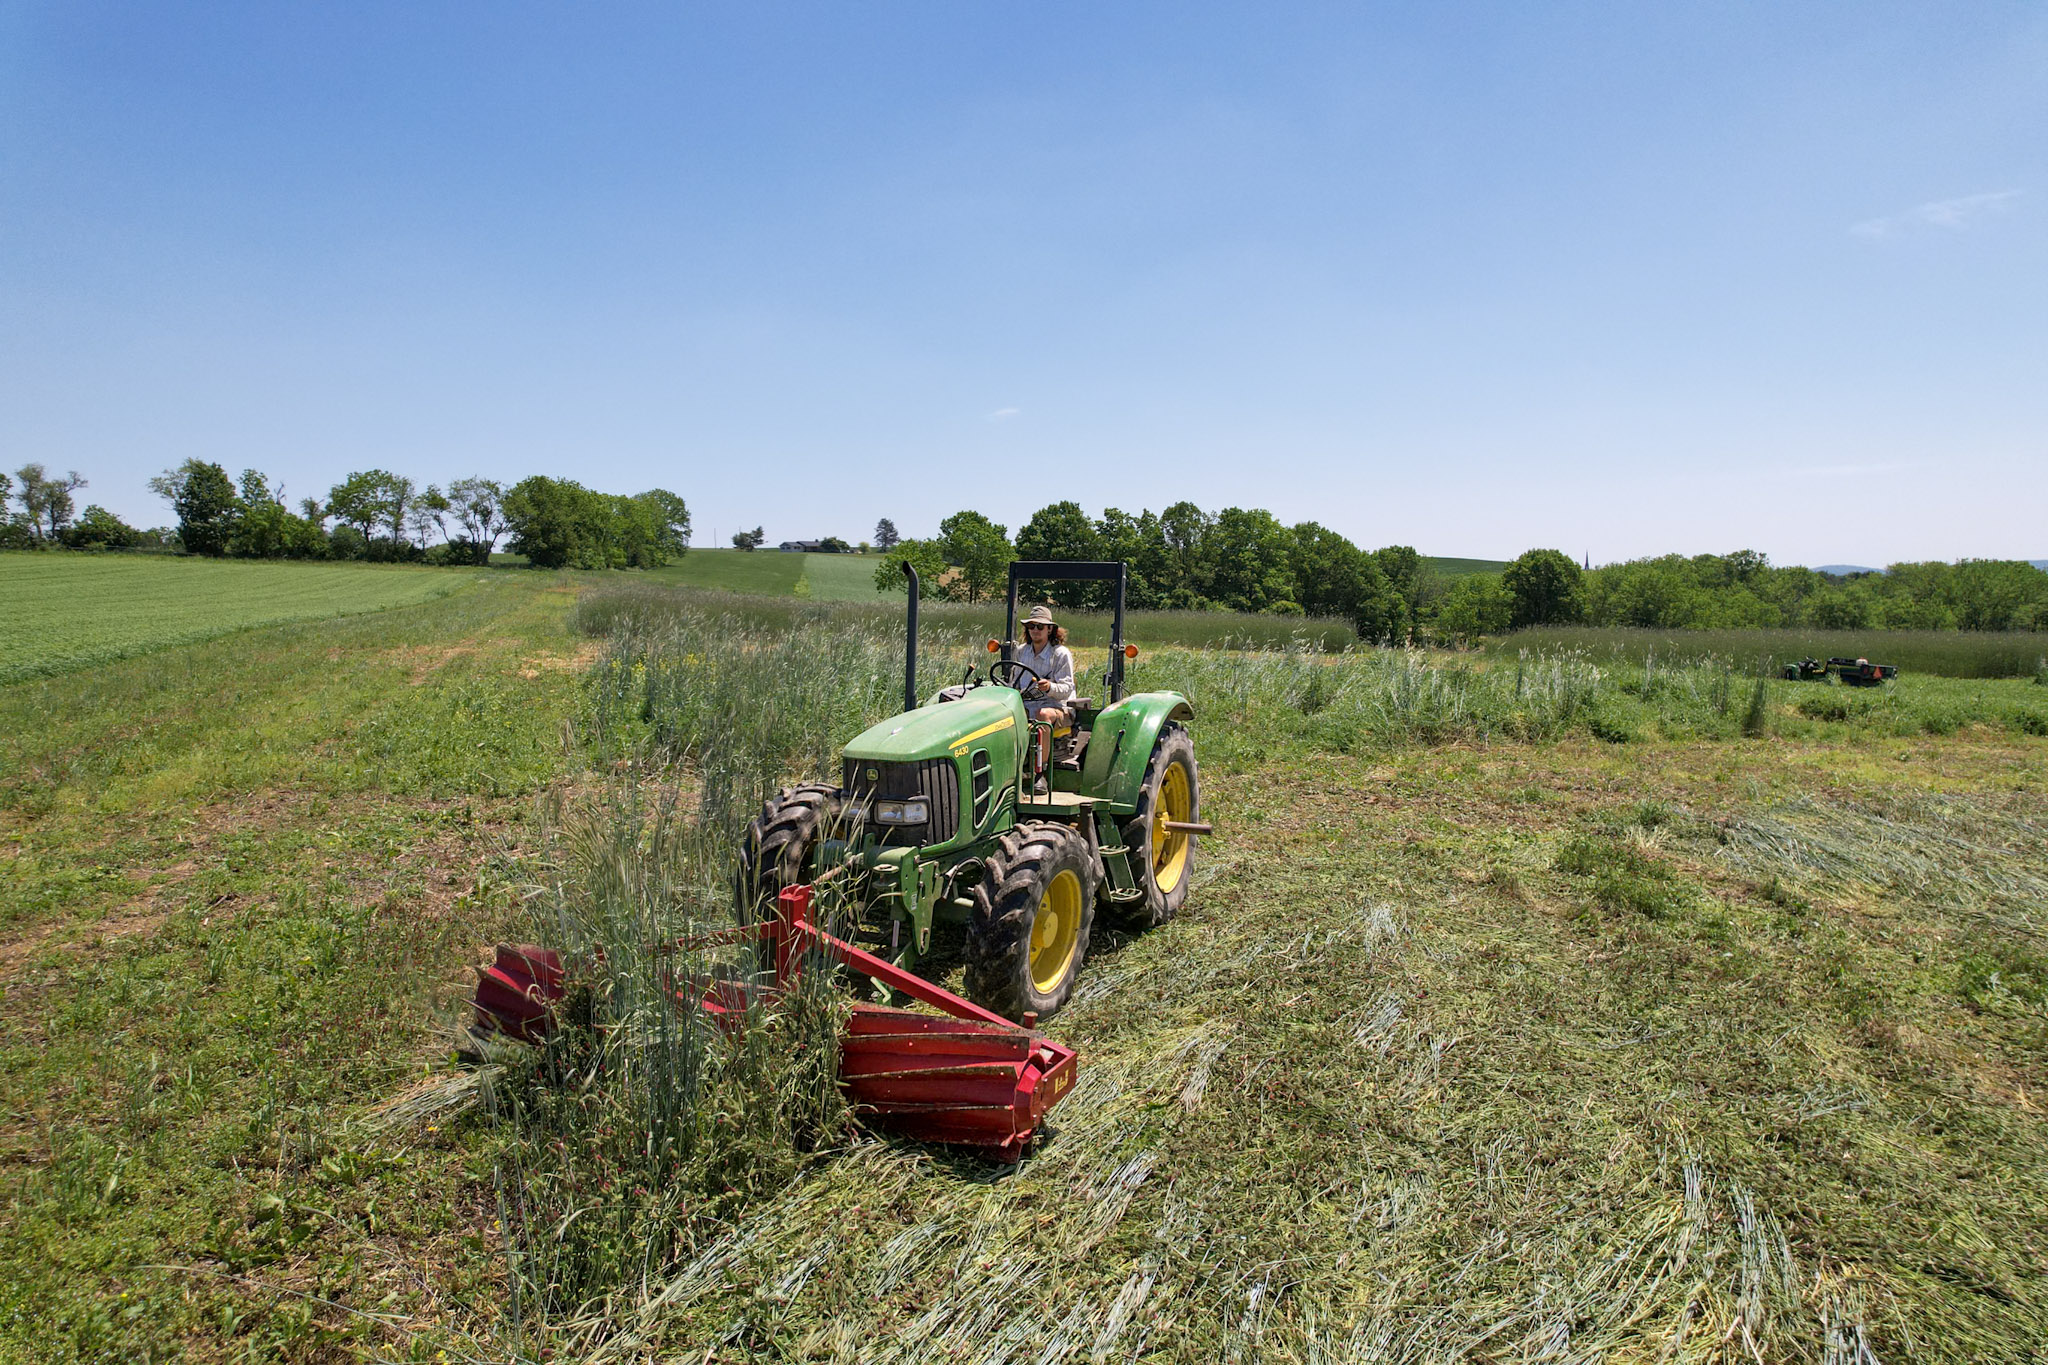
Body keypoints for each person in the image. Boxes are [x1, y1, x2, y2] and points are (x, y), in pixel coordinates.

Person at [1013, 604, 1075, 724]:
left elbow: (1067, 689)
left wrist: (1049, 687)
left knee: (1042, 714)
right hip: (1027, 705)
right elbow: (1014, 683)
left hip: (1057, 707)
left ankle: (1044, 743)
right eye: (1031, 626)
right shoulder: (1021, 651)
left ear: (1049, 629)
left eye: (1040, 626)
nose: (1035, 630)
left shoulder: (1060, 654)